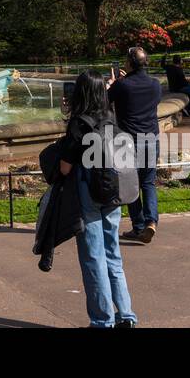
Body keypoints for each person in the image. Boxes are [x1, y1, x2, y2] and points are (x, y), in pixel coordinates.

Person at [59, 71, 137, 328]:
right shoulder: (110, 118)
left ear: (80, 92)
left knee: (93, 257)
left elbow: (65, 168)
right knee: (112, 253)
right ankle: (126, 314)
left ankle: (102, 321)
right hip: (113, 193)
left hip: (88, 192)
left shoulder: (80, 124)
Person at [109, 47, 160, 245]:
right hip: (151, 139)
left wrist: (115, 83)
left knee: (130, 185)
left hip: (128, 141)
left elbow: (104, 101)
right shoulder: (155, 84)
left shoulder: (122, 85)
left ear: (130, 63)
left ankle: (138, 226)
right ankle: (151, 222)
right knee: (148, 182)